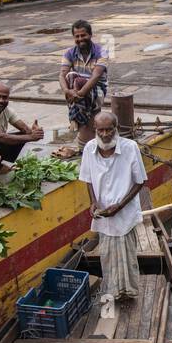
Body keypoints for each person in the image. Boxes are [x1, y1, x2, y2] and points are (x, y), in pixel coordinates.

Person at [79, 112, 147, 303]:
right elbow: (88, 180)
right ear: (95, 130)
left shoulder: (130, 148)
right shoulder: (89, 149)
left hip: (124, 213)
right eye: (101, 130)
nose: (105, 134)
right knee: (108, 255)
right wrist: (93, 202)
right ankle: (114, 292)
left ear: (116, 129)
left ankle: (129, 292)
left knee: (127, 254)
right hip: (104, 215)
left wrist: (120, 205)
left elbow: (140, 181)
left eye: (109, 129)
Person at [59, 19, 107, 146]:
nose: (80, 39)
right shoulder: (69, 53)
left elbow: (96, 76)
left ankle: (74, 118)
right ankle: (80, 127)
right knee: (70, 76)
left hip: (97, 90)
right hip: (77, 93)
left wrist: (78, 95)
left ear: (90, 35)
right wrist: (68, 92)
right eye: (77, 36)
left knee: (79, 80)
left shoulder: (101, 51)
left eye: (83, 35)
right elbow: (62, 75)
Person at [0, 82, 44, 162]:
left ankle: (7, 165)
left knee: (21, 137)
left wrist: (33, 132)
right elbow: (0, 137)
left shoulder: (6, 110)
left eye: (4, 97)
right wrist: (31, 137)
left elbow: (24, 129)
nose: (1, 100)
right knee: (3, 141)